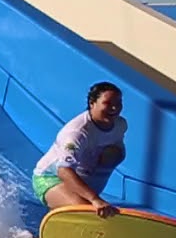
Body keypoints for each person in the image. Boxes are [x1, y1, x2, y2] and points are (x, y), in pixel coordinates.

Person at [32, 81, 127, 218]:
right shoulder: (76, 133)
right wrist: (95, 199)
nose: (114, 108)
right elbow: (63, 171)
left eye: (118, 104)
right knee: (86, 214)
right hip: (50, 178)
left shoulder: (120, 125)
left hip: (84, 179)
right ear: (92, 103)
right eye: (107, 103)